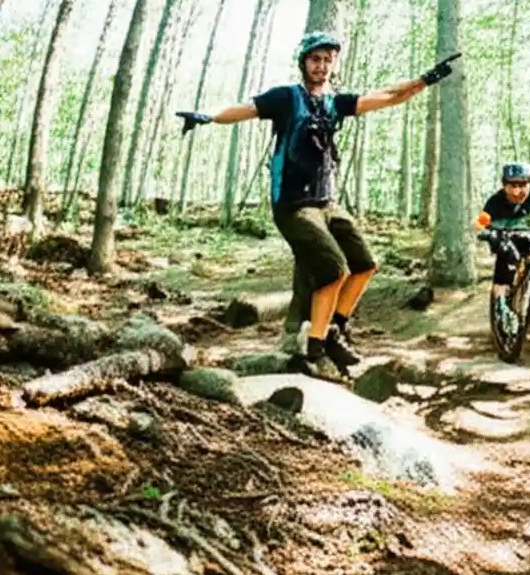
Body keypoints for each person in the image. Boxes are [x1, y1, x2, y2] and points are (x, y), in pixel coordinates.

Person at [176, 32, 459, 374]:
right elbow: (246, 109)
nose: (321, 66)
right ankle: (316, 345)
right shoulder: (286, 98)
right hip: (293, 205)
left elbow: (386, 97)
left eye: (327, 60)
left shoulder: (335, 103)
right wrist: (207, 116)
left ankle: (336, 327)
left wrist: (424, 81)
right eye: (315, 59)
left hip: (326, 203)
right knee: (334, 270)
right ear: (304, 63)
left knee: (365, 264)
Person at [474, 162, 530, 332]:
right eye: (512, 186)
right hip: (502, 238)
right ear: (504, 185)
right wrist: (486, 232)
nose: (517, 192)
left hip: (525, 236)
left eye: (522, 185)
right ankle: (501, 307)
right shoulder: (495, 201)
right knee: (504, 265)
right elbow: (481, 222)